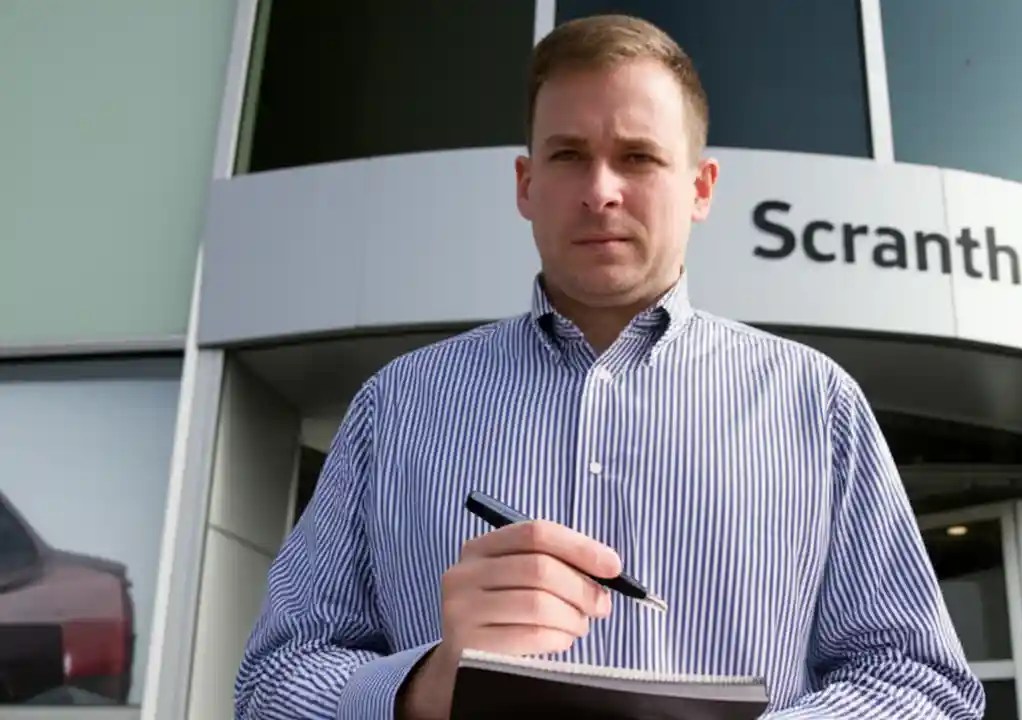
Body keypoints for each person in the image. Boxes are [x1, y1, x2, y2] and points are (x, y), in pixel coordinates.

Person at [234, 13, 984, 720]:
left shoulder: (815, 404)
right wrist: (429, 685)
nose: (600, 191)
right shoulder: (397, 407)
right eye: (568, 156)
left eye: (638, 157)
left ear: (700, 188)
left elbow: (921, 681)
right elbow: (271, 684)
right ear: (526, 185)